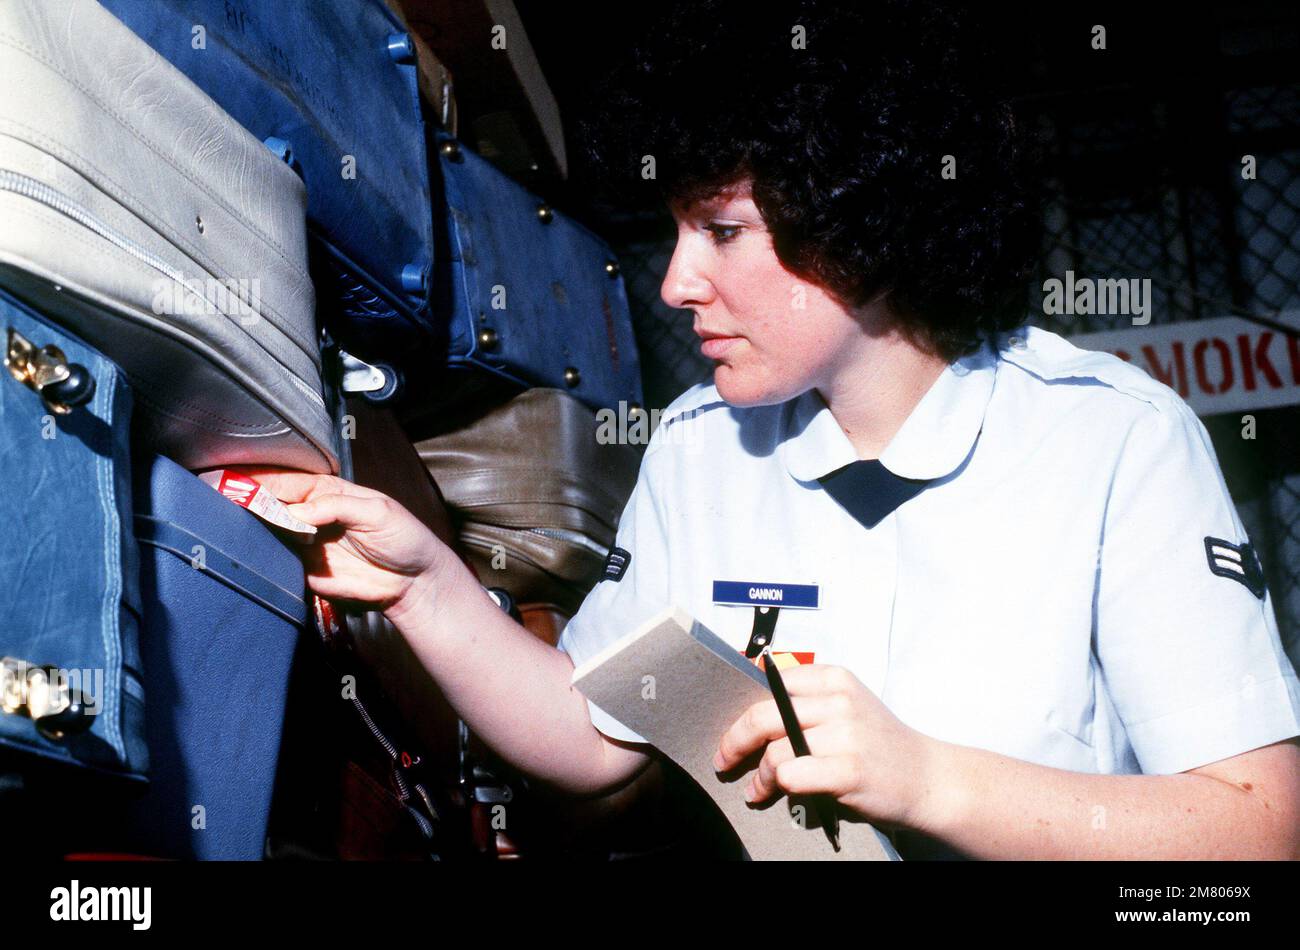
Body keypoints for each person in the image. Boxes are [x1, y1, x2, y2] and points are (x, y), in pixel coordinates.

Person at [251, 0, 1300, 859]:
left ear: (862, 218)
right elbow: (594, 729)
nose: (672, 281)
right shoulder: (700, 448)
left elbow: (1259, 826)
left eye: (720, 230)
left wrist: (925, 777)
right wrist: (424, 580)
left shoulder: (1114, 442)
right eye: (672, 230)